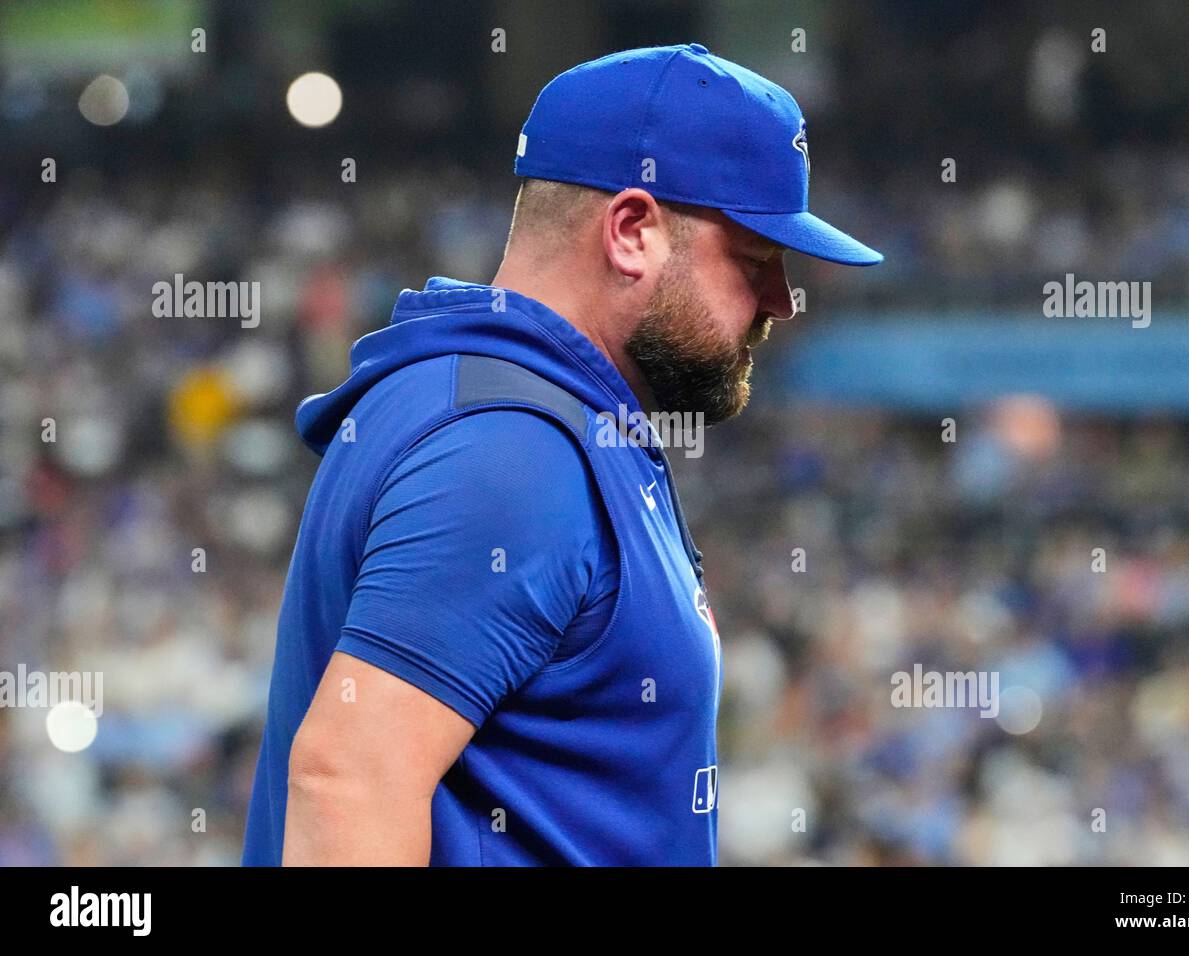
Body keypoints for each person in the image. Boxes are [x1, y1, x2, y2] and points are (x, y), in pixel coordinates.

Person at [242, 42, 882, 866]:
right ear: (632, 232)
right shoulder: (512, 448)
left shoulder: (512, 404)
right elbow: (348, 785)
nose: (781, 301)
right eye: (755, 261)